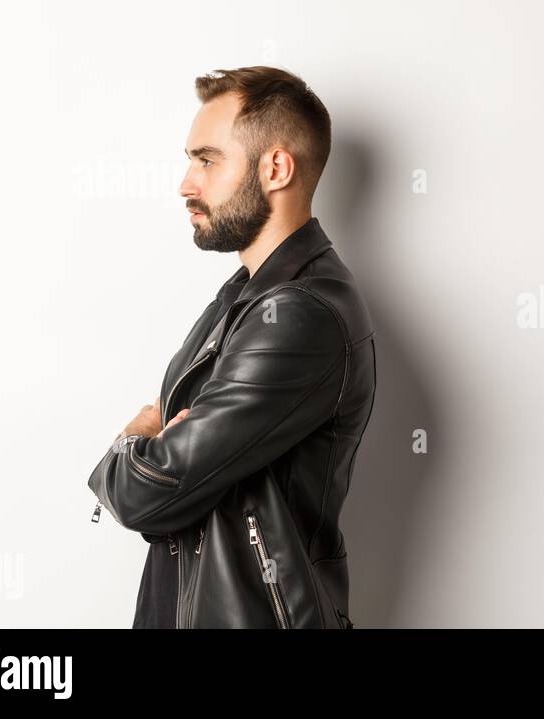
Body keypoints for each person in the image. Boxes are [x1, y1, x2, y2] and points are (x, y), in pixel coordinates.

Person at [87, 66, 375, 629]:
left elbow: (148, 495)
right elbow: (174, 491)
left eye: (207, 159)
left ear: (275, 168)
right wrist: (158, 463)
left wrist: (134, 439)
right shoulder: (246, 298)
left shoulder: (299, 314)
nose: (186, 183)